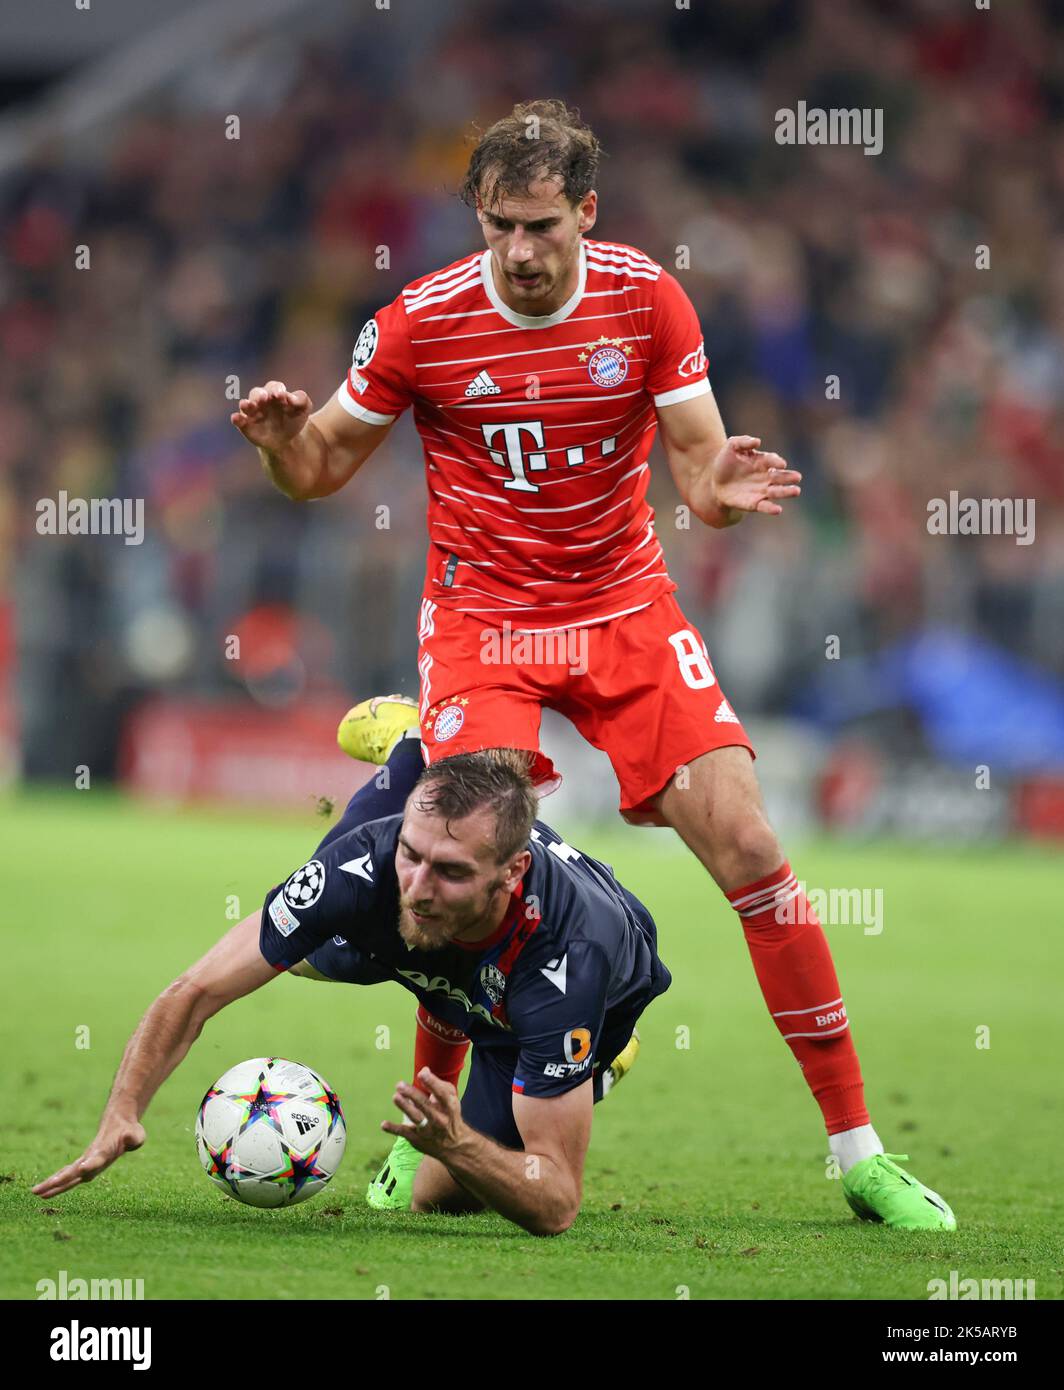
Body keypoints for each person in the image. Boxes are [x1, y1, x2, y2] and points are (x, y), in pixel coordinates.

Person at [231, 100, 955, 1230]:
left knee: (754, 846)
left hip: (620, 604)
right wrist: (282, 445)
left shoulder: (645, 298)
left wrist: (716, 495)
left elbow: (701, 468)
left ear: (585, 212)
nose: (519, 253)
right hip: (485, 620)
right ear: (477, 215)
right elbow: (319, 467)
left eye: (541, 227)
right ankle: (418, 1126)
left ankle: (857, 1152)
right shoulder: (417, 321)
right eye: (498, 227)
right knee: (461, 854)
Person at [31, 719, 665, 1237]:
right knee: (327, 946)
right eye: (410, 855)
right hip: (448, 937)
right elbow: (196, 990)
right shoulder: (365, 868)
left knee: (430, 1198)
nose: (415, 888)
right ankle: (417, 741)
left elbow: (555, 1204)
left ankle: (595, 1067)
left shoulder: (567, 968)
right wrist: (122, 1109)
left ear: (509, 872)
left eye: (447, 870)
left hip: (565, 1006)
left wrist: (456, 1146)